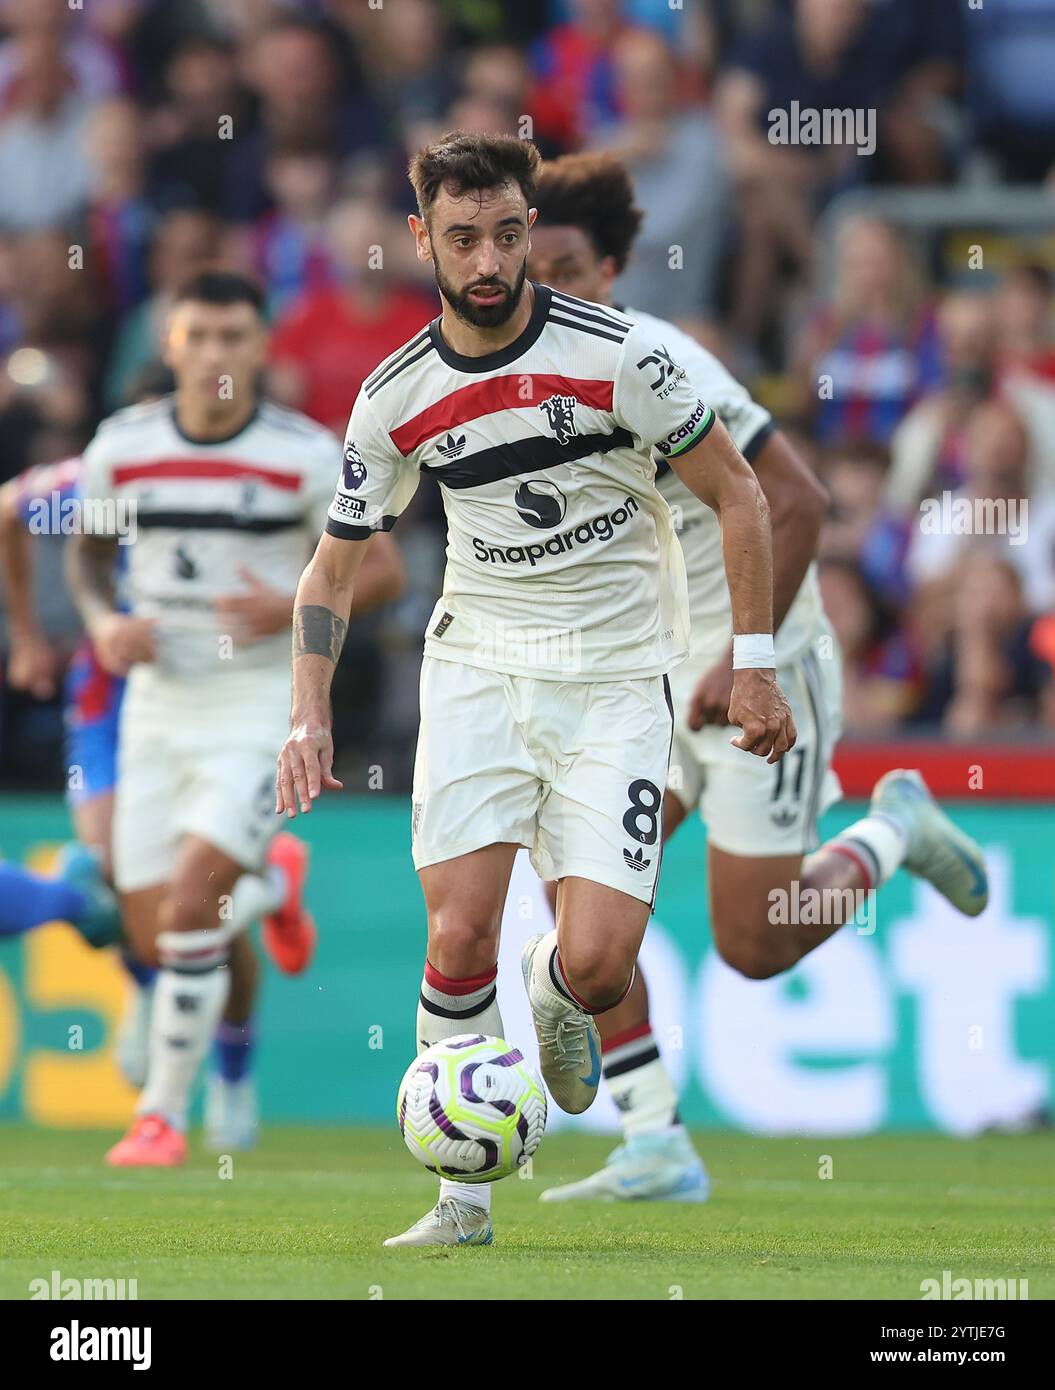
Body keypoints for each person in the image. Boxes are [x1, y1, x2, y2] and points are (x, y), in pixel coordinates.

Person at [275, 131, 796, 1248]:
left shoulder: (622, 357)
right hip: (477, 670)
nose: (488, 260)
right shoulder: (394, 394)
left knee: (599, 967)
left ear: (526, 232)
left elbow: (742, 494)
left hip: (617, 681)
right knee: (457, 932)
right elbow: (332, 568)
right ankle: (460, 1201)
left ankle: (552, 988)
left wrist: (753, 665)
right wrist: (307, 710)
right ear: (421, 239)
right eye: (462, 237)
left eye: (507, 235)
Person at [525, 151, 989, 1202]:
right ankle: (654, 1138)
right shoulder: (527, 389)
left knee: (755, 942)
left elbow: (800, 501)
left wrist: (744, 661)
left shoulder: (663, 363)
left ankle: (892, 831)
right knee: (578, 889)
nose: (547, 291)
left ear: (610, 271)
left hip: (756, 660)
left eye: (567, 269)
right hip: (640, 679)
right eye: (531, 271)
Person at [66, 270, 402, 1167]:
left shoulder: (304, 455)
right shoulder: (121, 449)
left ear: (260, 349)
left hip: (260, 704)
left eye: (233, 338)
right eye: (199, 337)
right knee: (162, 932)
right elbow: (88, 556)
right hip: (157, 705)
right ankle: (269, 891)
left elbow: (384, 572)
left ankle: (159, 1118)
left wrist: (287, 607)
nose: (215, 354)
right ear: (169, 346)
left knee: (190, 906)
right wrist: (103, 624)